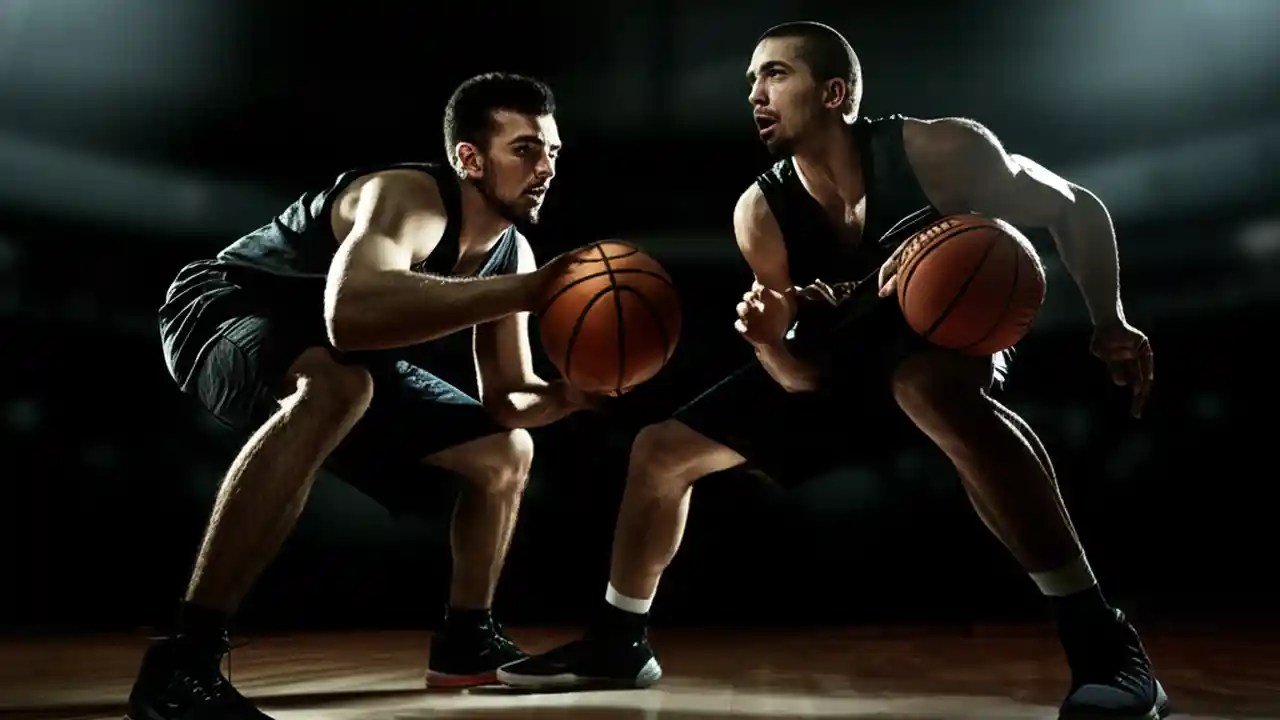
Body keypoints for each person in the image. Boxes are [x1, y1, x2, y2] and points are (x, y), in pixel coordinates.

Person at [497, 21, 1167, 720]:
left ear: (834, 94)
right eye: (749, 79)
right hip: (834, 366)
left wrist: (1110, 320)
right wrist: (768, 344)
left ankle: (1106, 647)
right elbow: (802, 382)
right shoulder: (761, 211)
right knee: (658, 452)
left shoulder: (938, 151)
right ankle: (618, 642)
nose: (754, 93)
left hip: (935, 347)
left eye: (774, 74)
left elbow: (1074, 208)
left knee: (925, 387)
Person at [127, 72, 593, 720]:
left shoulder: (513, 253)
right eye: (525, 149)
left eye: (552, 152)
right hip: (224, 307)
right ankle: (185, 659)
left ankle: (465, 641)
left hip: (342, 357)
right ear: (469, 157)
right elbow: (350, 314)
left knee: (503, 451)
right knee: (341, 387)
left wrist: (572, 394)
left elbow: (511, 396)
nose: (545, 167)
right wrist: (528, 293)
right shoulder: (407, 196)